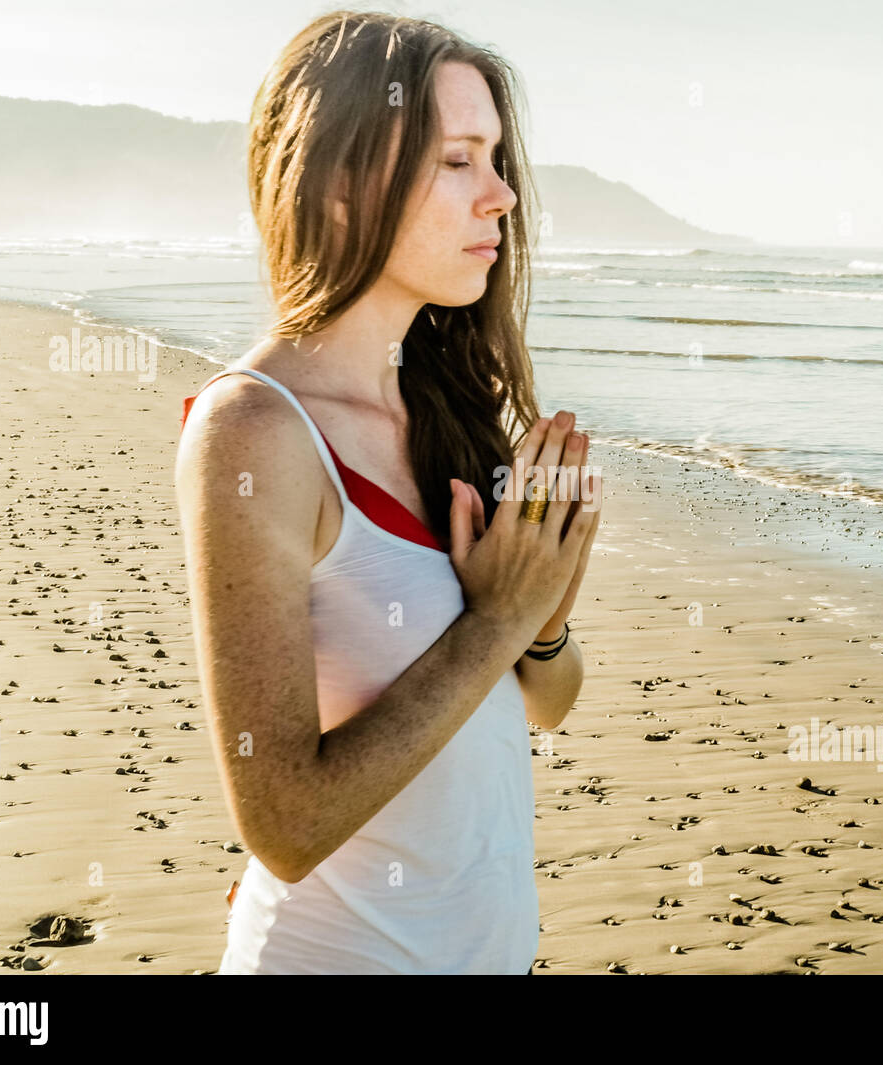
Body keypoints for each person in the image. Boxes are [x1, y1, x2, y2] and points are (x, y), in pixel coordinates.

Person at [174, 10, 603, 974]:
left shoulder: (447, 413)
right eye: (458, 160)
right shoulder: (255, 431)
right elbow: (284, 822)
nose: (500, 196)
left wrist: (542, 622)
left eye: (495, 158)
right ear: (339, 184)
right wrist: (495, 622)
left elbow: (548, 704)